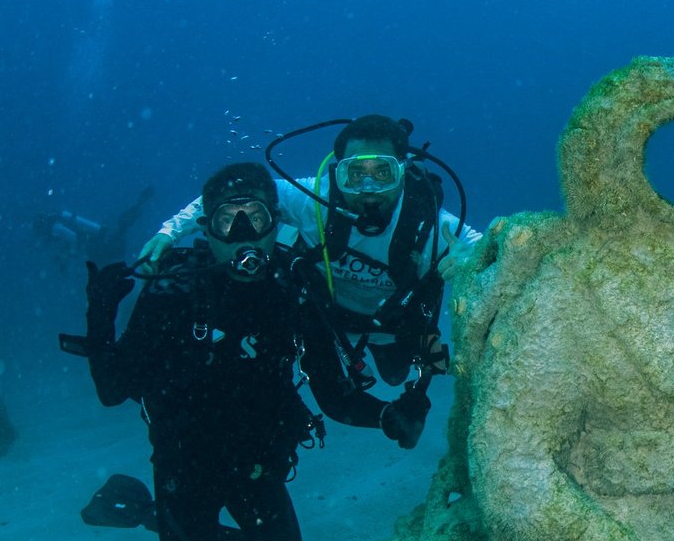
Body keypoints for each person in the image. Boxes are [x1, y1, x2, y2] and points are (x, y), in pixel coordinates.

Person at [13, 164, 429, 541]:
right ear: (206, 229)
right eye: (227, 220)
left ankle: (152, 516)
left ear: (276, 222)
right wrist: (101, 314)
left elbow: (335, 396)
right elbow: (114, 390)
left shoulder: (295, 288)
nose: (242, 234)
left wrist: (386, 415)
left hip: (256, 466)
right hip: (184, 470)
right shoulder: (174, 290)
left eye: (255, 217)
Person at [138, 115, 478, 389]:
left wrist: (472, 259)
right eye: (355, 173)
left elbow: (487, 244)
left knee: (394, 376)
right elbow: (231, 194)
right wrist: (169, 232)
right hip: (323, 320)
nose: (368, 188)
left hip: (390, 325)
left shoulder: (432, 224)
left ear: (402, 171)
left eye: (382, 172)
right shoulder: (311, 199)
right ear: (338, 172)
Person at [33, 184, 156, 272]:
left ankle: (139, 206)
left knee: (115, 247)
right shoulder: (57, 223)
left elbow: (72, 236)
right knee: (116, 243)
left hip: (91, 243)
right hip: (92, 240)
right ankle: (138, 206)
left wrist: (72, 255)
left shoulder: (55, 228)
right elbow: (69, 238)